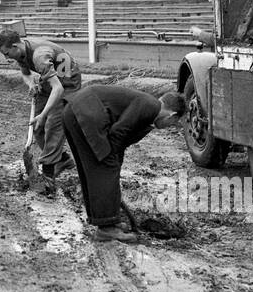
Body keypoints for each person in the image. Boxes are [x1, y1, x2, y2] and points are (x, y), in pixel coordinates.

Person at [62, 85, 187, 243]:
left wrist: (115, 164)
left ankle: (104, 220)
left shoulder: (148, 110)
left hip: (74, 112)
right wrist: (111, 164)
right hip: (86, 114)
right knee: (105, 168)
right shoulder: (150, 106)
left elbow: (122, 142)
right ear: (172, 116)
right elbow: (119, 132)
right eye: (174, 122)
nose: (170, 126)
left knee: (93, 169)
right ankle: (107, 228)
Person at [0, 29, 80, 181]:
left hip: (67, 84)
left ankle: (48, 173)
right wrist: (31, 83)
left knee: (53, 124)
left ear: (15, 46)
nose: (6, 58)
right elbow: (26, 74)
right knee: (37, 127)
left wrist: (44, 114)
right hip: (50, 81)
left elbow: (58, 88)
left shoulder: (39, 56)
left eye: (6, 53)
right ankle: (63, 159)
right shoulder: (21, 52)